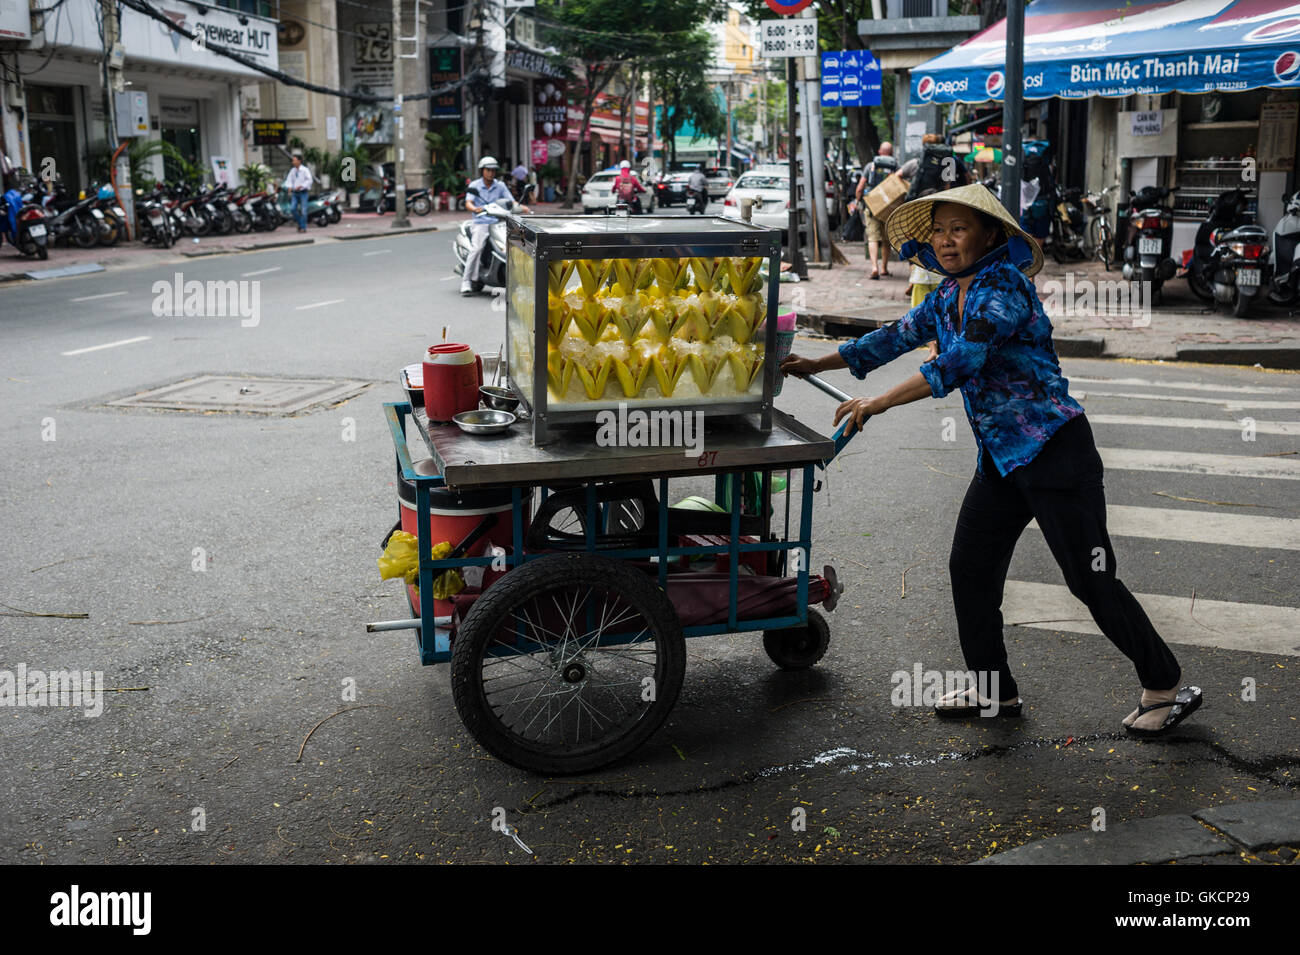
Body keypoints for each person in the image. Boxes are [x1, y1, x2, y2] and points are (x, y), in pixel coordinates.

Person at [778, 183, 1201, 736]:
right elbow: (892, 337)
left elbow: (963, 360)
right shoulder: (949, 292)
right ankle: (994, 692)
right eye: (938, 230)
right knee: (970, 570)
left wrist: (877, 402)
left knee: (1090, 579)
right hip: (1002, 461)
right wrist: (814, 364)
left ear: (990, 235)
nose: (946, 241)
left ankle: (1164, 685)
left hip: (1055, 455)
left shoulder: (1002, 288)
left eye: (959, 229)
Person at [899, 134, 968, 308]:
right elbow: (957, 183)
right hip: (946, 208)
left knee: (919, 244)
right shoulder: (951, 161)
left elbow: (900, 176)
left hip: (921, 209)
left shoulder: (918, 163)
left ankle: (915, 277)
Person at [461, 155, 530, 295]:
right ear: (482, 170)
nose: (491, 173)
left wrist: (523, 207)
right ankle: (466, 281)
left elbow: (510, 202)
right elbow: (469, 202)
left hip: (499, 222)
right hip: (481, 223)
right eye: (488, 170)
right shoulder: (475, 186)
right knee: (477, 248)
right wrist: (474, 209)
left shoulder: (500, 186)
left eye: (493, 170)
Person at [852, 141, 899, 280]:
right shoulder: (896, 166)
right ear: (891, 153)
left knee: (872, 237)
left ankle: (874, 268)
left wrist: (858, 200)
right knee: (886, 239)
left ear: (879, 152)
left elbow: (860, 187)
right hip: (889, 206)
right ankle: (884, 268)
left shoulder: (870, 166)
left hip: (872, 205)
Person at [283, 154, 314, 233]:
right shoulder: (292, 171)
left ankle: (303, 227)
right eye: (293, 160)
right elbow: (289, 180)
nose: (293, 162)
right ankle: (300, 224)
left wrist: (301, 186)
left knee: (304, 211)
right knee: (292, 209)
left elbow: (309, 180)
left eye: (294, 160)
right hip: (295, 193)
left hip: (303, 192)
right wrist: (289, 186)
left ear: (299, 161)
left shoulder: (305, 170)